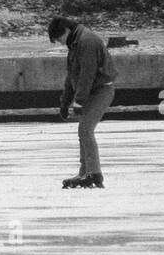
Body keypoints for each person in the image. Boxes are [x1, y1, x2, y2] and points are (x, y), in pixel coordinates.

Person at [48, 16, 116, 189]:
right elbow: (72, 76)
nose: (60, 43)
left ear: (66, 31)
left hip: (101, 90)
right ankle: (86, 172)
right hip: (91, 91)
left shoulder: (87, 42)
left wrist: (78, 102)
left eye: (59, 38)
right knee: (83, 130)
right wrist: (65, 102)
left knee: (85, 129)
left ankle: (94, 173)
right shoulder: (76, 43)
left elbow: (87, 74)